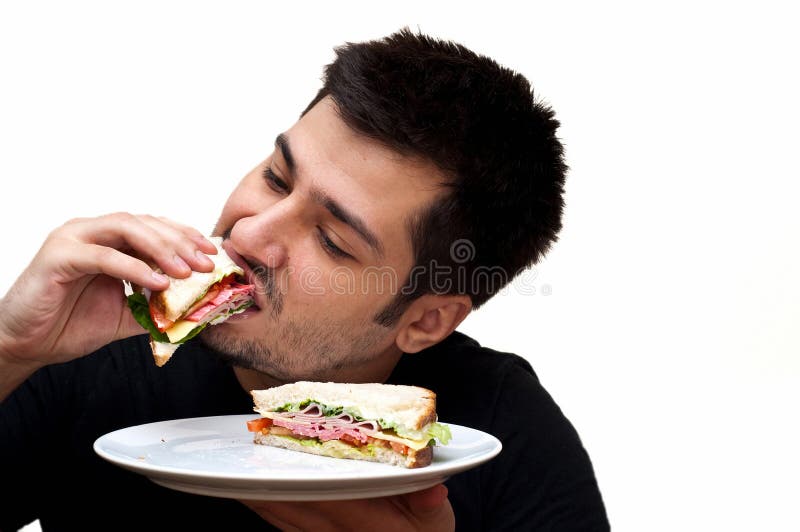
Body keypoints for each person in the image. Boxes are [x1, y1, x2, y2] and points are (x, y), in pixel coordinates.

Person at [0, 29, 609, 531]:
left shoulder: (506, 436)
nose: (251, 235)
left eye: (331, 241)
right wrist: (10, 348)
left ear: (425, 321)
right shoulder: (94, 354)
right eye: (276, 178)